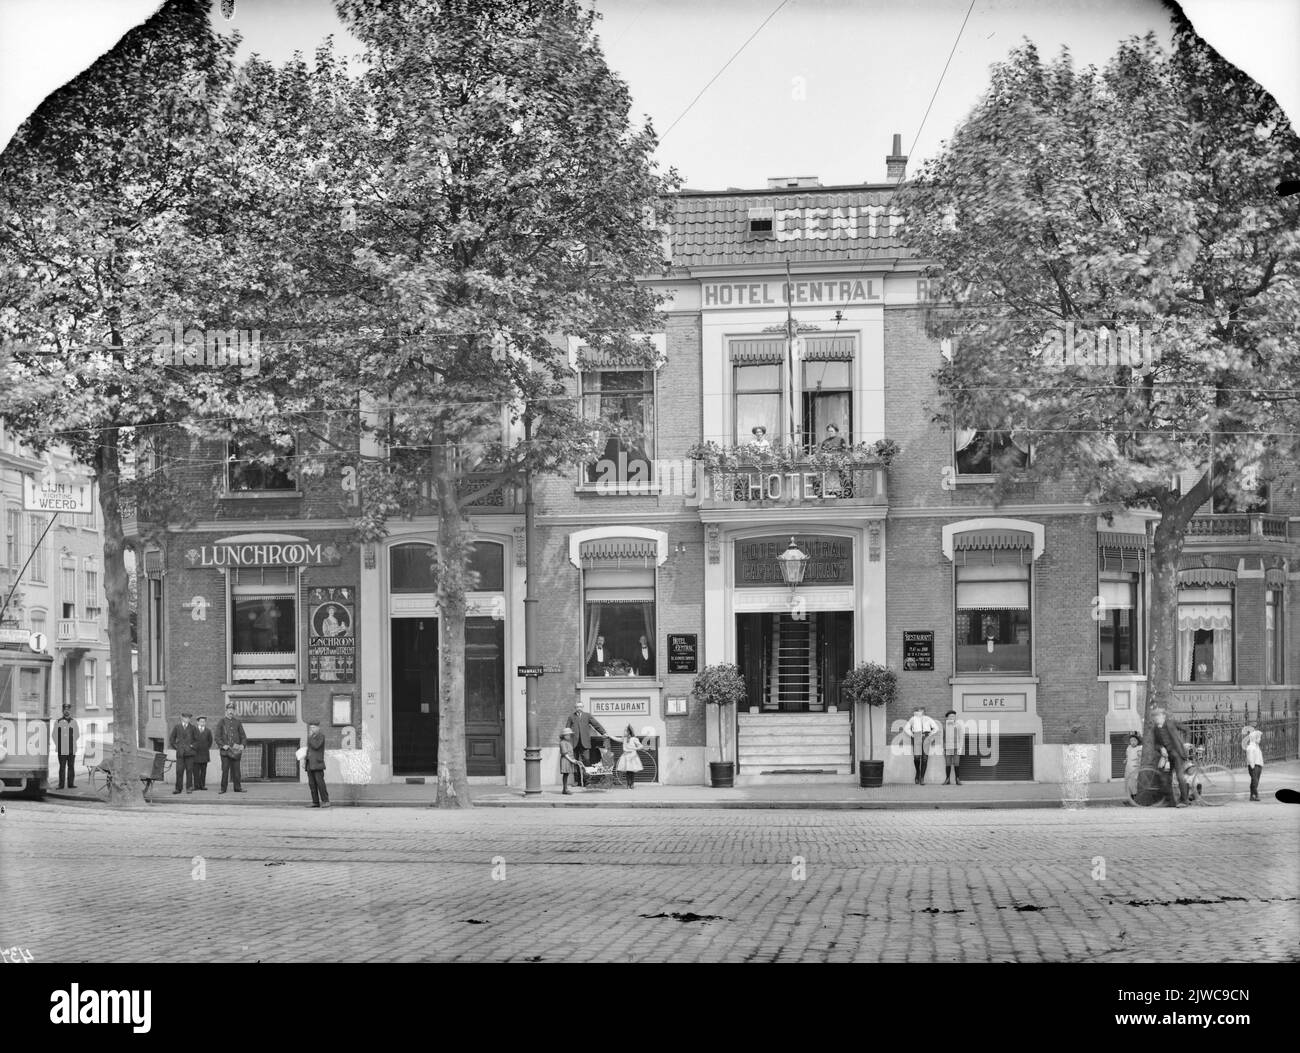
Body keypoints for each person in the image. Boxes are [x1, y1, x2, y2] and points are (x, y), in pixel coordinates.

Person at [1151, 707, 1189, 807]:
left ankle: (1185, 801)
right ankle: (1171, 801)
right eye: (1155, 716)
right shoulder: (1155, 728)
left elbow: (1187, 729)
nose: (1156, 718)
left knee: (1180, 777)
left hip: (1177, 754)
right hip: (1167, 757)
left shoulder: (1171, 723)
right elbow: (1155, 744)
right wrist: (1161, 748)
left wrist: (1187, 743)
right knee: (1165, 778)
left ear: (1163, 716)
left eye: (1158, 715)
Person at [565, 699, 608, 776]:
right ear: (575, 707)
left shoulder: (587, 715)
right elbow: (567, 729)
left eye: (580, 706)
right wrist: (566, 741)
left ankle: (587, 780)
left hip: (585, 742)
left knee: (587, 761)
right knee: (576, 762)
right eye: (577, 706)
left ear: (583, 707)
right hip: (574, 743)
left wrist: (603, 732)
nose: (579, 708)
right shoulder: (571, 717)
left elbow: (596, 724)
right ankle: (577, 781)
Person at [215, 701, 248, 794]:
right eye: (229, 709)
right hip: (225, 752)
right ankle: (223, 789)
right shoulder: (221, 722)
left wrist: (242, 745)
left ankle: (237, 788)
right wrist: (222, 745)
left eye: (232, 709)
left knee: (237, 771)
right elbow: (217, 737)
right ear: (226, 711)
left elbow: (243, 736)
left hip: (236, 751)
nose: (231, 711)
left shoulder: (237, 722)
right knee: (225, 770)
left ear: (234, 711)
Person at [903, 706, 938, 785]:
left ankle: (922, 778)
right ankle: (917, 772)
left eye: (922, 711)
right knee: (916, 757)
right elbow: (906, 728)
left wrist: (929, 735)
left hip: (926, 736)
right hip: (917, 736)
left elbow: (936, 728)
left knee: (925, 758)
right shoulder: (913, 719)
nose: (920, 713)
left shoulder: (928, 719)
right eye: (919, 711)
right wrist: (912, 735)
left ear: (924, 712)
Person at [169, 712, 197, 795]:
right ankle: (178, 788)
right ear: (182, 718)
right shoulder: (177, 727)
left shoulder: (193, 728)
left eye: (189, 718)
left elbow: (197, 741)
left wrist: (192, 746)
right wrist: (177, 748)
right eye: (186, 717)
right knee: (179, 771)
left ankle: (189, 788)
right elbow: (171, 739)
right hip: (180, 754)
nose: (187, 719)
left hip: (190, 754)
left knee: (189, 771)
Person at [305, 720, 330, 808]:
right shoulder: (311, 737)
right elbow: (309, 750)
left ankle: (326, 801)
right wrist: (305, 759)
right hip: (309, 763)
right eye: (311, 727)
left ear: (318, 728)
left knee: (320, 783)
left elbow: (316, 746)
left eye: (314, 727)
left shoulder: (320, 736)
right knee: (312, 784)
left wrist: (310, 738)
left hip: (317, 764)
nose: (312, 729)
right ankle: (315, 802)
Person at [54, 705, 78, 789]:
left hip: (72, 748)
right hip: (62, 749)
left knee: (71, 767)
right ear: (63, 711)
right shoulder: (58, 722)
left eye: (68, 710)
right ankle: (61, 785)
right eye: (65, 709)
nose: (66, 711)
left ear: (70, 711)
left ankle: (71, 784)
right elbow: (54, 735)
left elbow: (77, 734)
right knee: (62, 767)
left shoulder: (74, 722)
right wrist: (59, 745)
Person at [615, 725, 644, 790]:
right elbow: (617, 739)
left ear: (629, 732)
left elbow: (641, 746)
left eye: (625, 731)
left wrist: (636, 748)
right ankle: (628, 785)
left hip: (632, 756)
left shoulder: (634, 739)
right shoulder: (624, 739)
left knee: (632, 772)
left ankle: (632, 784)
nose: (624, 732)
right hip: (626, 757)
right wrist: (609, 736)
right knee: (628, 771)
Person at [941, 710, 963, 785]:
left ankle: (957, 779)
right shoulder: (944, 726)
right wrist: (942, 748)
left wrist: (960, 748)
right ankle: (947, 779)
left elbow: (961, 737)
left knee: (956, 763)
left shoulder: (958, 726)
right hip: (947, 748)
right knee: (948, 763)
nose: (952, 717)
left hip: (956, 747)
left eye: (953, 716)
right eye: (950, 716)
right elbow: (942, 738)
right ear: (947, 718)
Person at [192, 715, 213, 790]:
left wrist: (206, 748)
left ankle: (202, 785)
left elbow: (210, 741)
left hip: (204, 754)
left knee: (203, 771)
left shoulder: (208, 731)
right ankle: (196, 786)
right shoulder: (194, 730)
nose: (202, 723)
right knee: (195, 772)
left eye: (204, 721)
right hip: (195, 754)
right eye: (201, 721)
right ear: (197, 722)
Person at [1243, 726, 1263, 802]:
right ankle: (1256, 794)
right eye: (1258, 738)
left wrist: (1261, 765)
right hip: (1254, 766)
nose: (1260, 739)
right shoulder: (1251, 747)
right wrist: (1252, 766)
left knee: (1255, 781)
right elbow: (1250, 757)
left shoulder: (1256, 746)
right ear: (1254, 738)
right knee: (1255, 781)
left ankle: (1252, 796)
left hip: (1258, 765)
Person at [559, 727, 578, 795]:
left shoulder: (567, 742)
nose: (570, 736)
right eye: (569, 735)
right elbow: (565, 753)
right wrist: (572, 760)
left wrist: (573, 760)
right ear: (565, 736)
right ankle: (565, 789)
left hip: (568, 760)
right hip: (565, 760)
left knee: (566, 774)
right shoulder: (562, 743)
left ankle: (565, 789)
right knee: (565, 774)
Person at [1123, 732, 1142, 799]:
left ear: (1138, 741)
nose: (1133, 742)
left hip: (1135, 767)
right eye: (1131, 741)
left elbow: (1140, 757)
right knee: (1127, 782)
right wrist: (1126, 760)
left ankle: (1135, 796)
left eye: (1134, 740)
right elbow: (1128, 756)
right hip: (1128, 767)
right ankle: (1130, 797)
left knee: (1133, 782)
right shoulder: (1129, 748)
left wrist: (1139, 763)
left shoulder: (1139, 748)